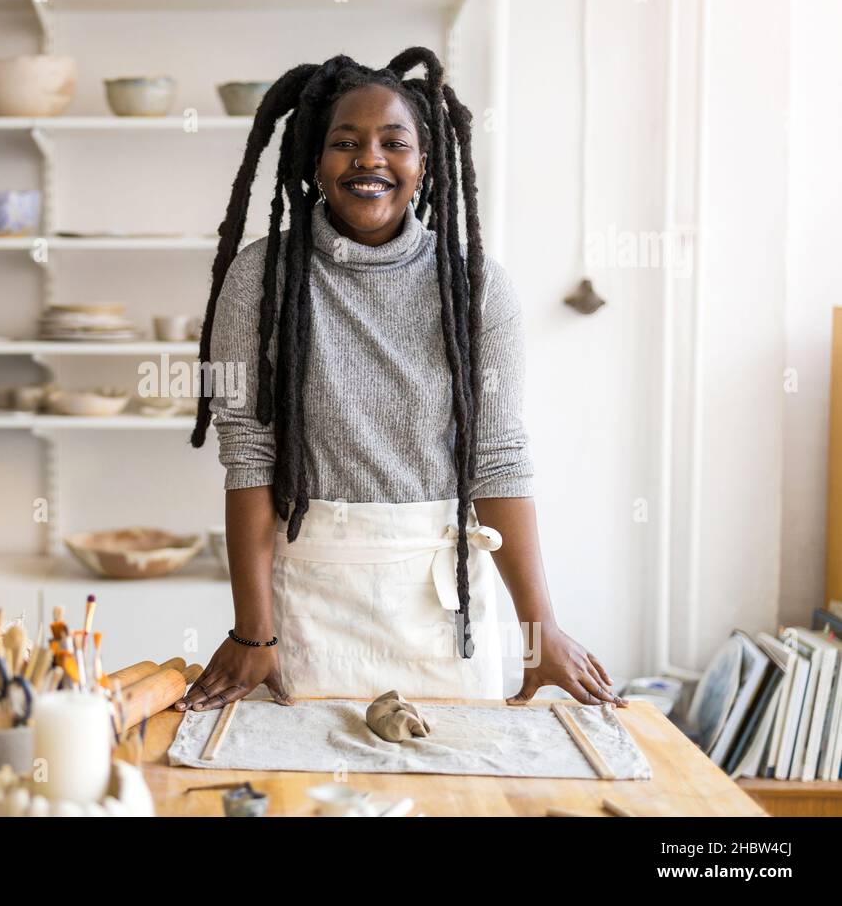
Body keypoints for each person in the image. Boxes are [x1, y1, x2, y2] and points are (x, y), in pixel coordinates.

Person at [177, 47, 624, 713]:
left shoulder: (477, 290)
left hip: (444, 614)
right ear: (313, 161)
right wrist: (254, 629)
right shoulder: (259, 279)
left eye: (394, 142)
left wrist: (539, 631)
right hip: (307, 614)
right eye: (344, 143)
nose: (369, 159)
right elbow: (248, 452)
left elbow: (496, 459)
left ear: (426, 163)